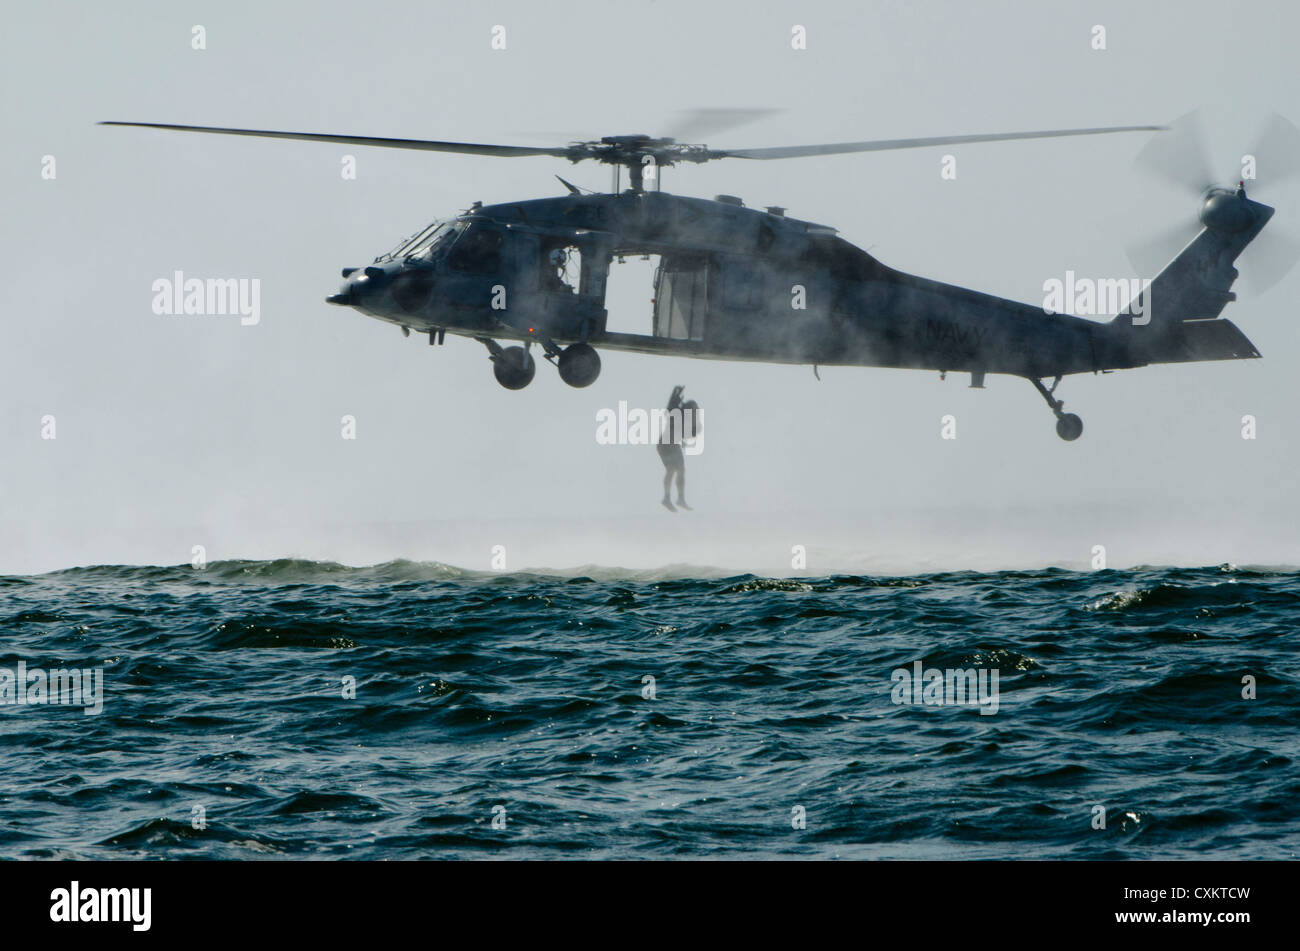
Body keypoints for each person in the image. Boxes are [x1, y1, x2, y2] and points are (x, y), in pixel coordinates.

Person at [656, 385, 691, 512]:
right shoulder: (676, 413)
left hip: (671, 444)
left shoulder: (684, 418)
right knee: (672, 469)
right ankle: (667, 498)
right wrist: (676, 393)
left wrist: (682, 440)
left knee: (680, 470)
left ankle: (679, 498)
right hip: (666, 444)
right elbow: (670, 408)